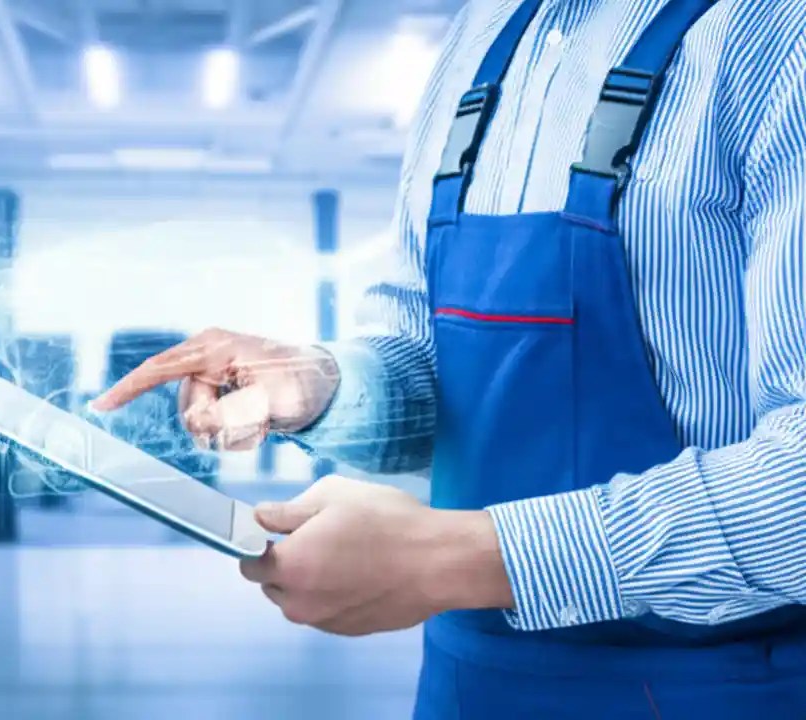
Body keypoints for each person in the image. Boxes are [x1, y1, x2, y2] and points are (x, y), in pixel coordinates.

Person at [92, 0, 806, 716]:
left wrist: (457, 558)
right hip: (463, 682)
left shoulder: (775, 35)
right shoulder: (482, 33)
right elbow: (440, 368)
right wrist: (319, 387)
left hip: (715, 686)